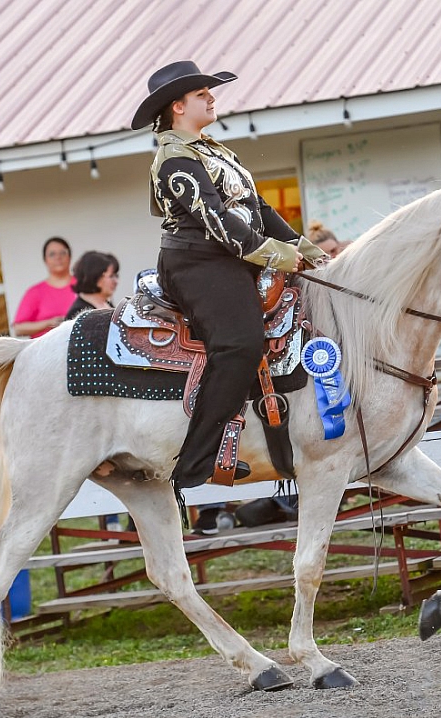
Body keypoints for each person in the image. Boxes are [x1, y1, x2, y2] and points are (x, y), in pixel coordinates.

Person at [131, 60, 327, 488]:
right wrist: (277, 256)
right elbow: (218, 222)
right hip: (197, 263)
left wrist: (313, 255)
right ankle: (194, 460)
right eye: (202, 94)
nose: (211, 97)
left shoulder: (215, 150)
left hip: (232, 259)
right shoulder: (173, 158)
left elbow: (261, 211)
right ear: (177, 106)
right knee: (240, 343)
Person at [12, 237, 76, 338]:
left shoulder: (82, 286)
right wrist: (49, 323)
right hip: (46, 351)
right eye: (52, 254)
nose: (58, 257)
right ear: (45, 260)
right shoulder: (35, 292)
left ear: (70, 256)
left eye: (63, 253)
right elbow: (19, 328)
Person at [65, 251, 120, 319]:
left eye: (116, 276)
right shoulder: (78, 312)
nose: (116, 281)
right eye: (111, 276)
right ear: (95, 277)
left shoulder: (107, 303)